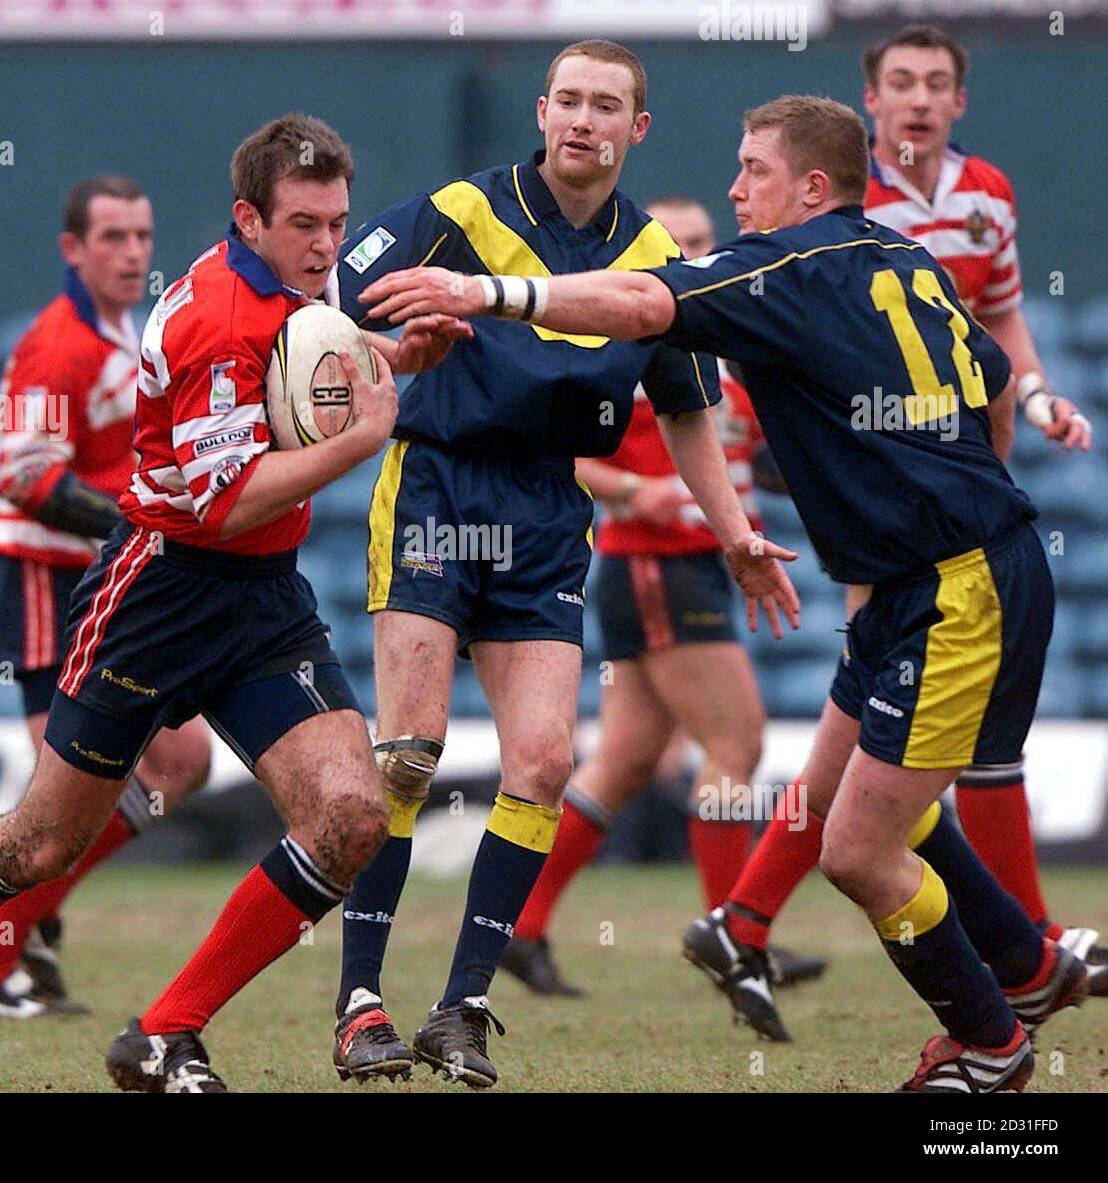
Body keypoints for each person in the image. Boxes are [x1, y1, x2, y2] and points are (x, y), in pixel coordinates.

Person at [358, 94, 1089, 1092]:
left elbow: (636, 307)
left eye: (752, 170)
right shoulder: (901, 257)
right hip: (935, 575)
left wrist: (488, 294)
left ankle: (992, 1043)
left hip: (949, 592)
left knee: (856, 852)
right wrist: (945, 506)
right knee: (823, 790)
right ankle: (1022, 965)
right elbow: (995, 383)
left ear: (811, 187)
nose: (735, 187)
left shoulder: (781, 267)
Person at [0, 114, 466, 1094]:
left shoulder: (307, 283)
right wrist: (363, 438)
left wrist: (392, 358)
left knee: (352, 815)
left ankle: (165, 1033)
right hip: (159, 586)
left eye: (336, 223)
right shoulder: (210, 321)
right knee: (41, 841)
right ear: (247, 219)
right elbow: (225, 503)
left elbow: (302, 373)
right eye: (304, 224)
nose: (326, 244)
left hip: (265, 600)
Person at [327, 40, 797, 1089]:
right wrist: (391, 361)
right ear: (541, 112)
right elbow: (328, 314)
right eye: (568, 101)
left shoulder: (653, 262)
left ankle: (464, 1006)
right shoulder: (455, 208)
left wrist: (733, 534)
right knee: (408, 754)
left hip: (547, 505)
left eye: (607, 106)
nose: (582, 120)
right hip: (439, 488)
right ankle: (361, 1001)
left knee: (542, 761)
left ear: (637, 130)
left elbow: (688, 409)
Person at [680, 24, 1103, 1044]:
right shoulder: (827, 216)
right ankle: (1016, 964)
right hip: (893, 526)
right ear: (869, 106)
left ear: (959, 102)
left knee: (908, 772)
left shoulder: (979, 199)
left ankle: (761, 922)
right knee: (879, 769)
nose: (918, 98)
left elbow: (997, 331)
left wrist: (1021, 413)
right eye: (900, 81)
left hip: (938, 530)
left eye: (938, 83)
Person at [498, 196, 823, 1005]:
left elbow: (755, 460)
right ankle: (736, 934)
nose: (690, 254)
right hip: (657, 568)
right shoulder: (620, 354)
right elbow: (556, 456)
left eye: (703, 242)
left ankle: (522, 925)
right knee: (736, 745)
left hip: (696, 570)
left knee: (625, 761)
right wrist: (634, 489)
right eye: (673, 245)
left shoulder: (723, 365)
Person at [0, 176, 213, 1019]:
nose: (132, 252)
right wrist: (133, 522)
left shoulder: (135, 330)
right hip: (45, 577)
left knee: (180, 765)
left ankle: (24, 926)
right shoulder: (56, 341)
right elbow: (26, 475)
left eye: (141, 235)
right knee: (59, 799)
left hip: (111, 576)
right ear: (73, 248)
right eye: (111, 237)